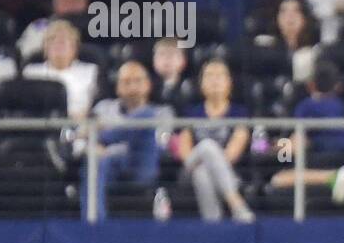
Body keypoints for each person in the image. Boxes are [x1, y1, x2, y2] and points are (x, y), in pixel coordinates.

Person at [269, 61, 344, 205]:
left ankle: (335, 176)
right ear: (337, 86)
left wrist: (274, 147)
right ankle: (339, 176)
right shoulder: (341, 105)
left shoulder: (307, 106)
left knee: (278, 179)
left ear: (310, 85)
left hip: (322, 159)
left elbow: (297, 142)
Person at [176, 58, 256, 222]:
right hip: (190, 167)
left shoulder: (239, 112)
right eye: (209, 76)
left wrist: (212, 164)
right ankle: (237, 204)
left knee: (203, 172)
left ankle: (213, 224)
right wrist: (207, 155)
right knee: (207, 146)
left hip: (227, 170)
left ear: (229, 83)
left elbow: (234, 151)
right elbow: (185, 152)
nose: (215, 80)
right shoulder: (191, 112)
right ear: (201, 84)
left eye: (220, 76)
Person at [82, 61, 161, 222]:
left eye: (137, 81)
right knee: (95, 160)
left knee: (146, 119)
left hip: (139, 164)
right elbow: (83, 135)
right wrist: (94, 144)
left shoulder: (161, 112)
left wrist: (101, 136)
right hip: (108, 165)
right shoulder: (103, 108)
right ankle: (94, 221)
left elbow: (163, 144)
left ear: (148, 85)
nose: (132, 87)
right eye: (126, 82)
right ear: (117, 87)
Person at [23, 20, 100, 120]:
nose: (58, 43)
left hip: (79, 126)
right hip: (39, 126)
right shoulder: (30, 72)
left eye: (64, 40)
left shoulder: (91, 71)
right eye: (52, 39)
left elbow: (97, 106)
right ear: (45, 47)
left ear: (75, 47)